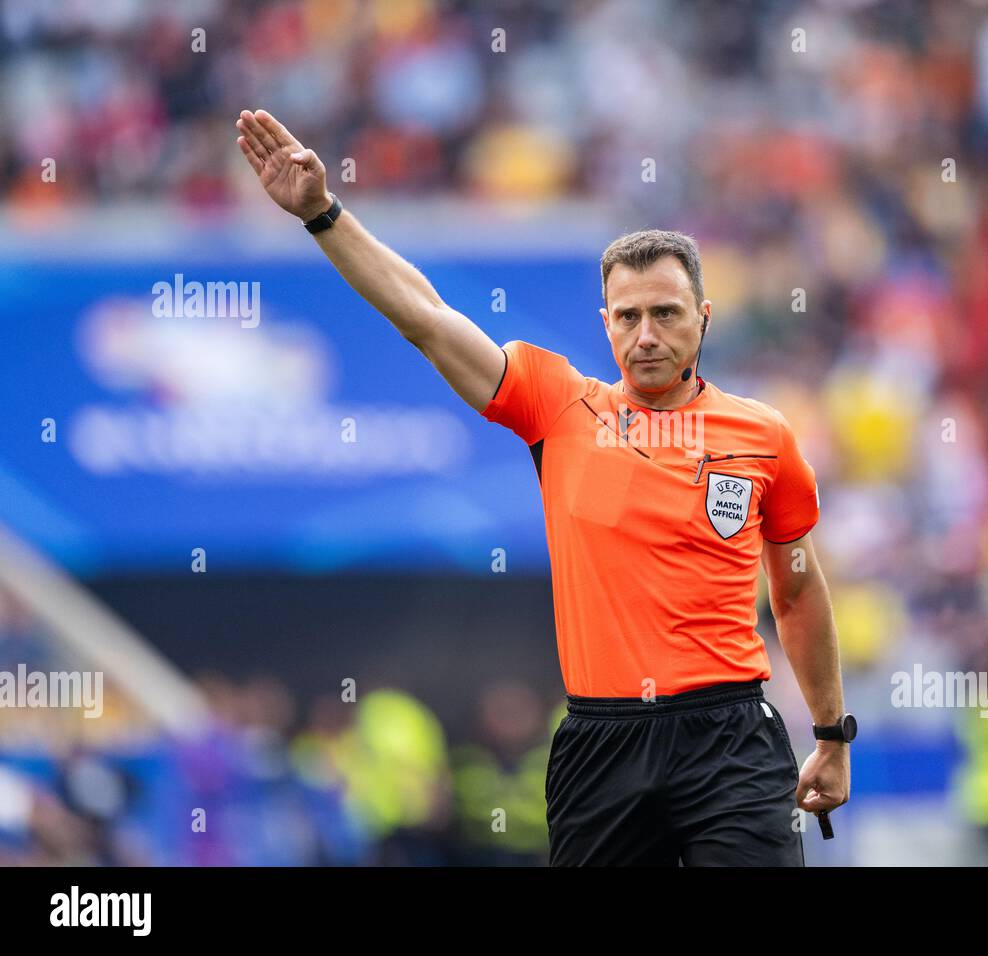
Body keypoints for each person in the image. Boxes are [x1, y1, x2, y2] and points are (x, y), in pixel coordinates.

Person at [234, 108, 852, 866]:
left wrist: (829, 735)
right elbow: (426, 318)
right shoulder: (559, 404)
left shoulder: (765, 436)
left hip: (730, 735)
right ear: (605, 323)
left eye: (666, 313)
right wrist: (324, 215)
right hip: (602, 742)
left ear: (704, 318)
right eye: (628, 317)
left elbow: (796, 592)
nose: (646, 334)